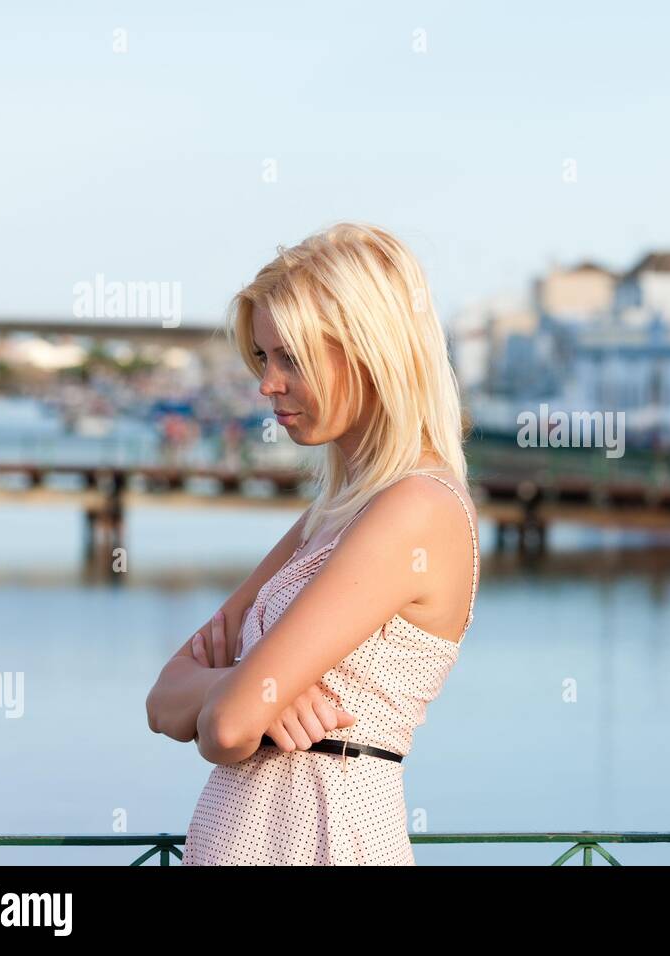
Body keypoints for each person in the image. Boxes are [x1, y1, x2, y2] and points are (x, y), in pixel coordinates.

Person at [145, 222, 480, 865]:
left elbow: (224, 728)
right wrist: (255, 684)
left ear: (368, 350)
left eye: (291, 358)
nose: (268, 383)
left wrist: (242, 697)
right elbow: (163, 699)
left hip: (324, 839)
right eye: (264, 359)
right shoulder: (334, 511)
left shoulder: (415, 508)